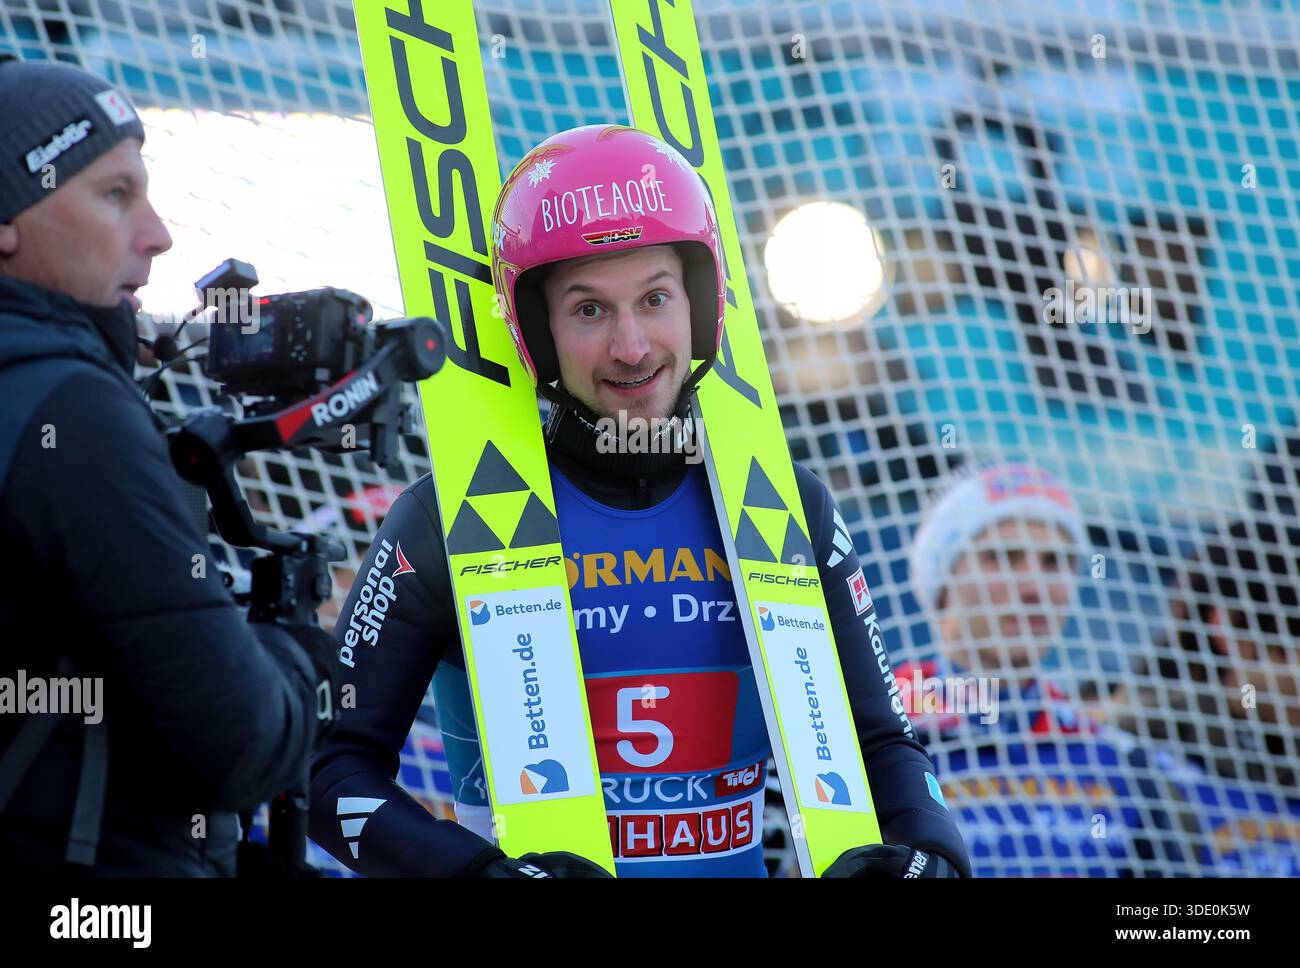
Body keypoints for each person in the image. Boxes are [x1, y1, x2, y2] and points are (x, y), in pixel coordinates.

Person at [308, 124, 970, 878]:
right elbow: (330, 776)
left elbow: (885, 744)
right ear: (537, 333)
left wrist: (929, 862)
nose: (631, 346)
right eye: (589, 310)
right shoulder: (442, 518)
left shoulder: (789, 510)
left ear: (698, 307)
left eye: (655, 298)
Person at [0, 56, 338, 875]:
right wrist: (298, 652)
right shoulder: (70, 411)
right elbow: (238, 743)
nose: (159, 234)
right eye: (115, 194)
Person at [903, 461, 1195, 876]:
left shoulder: (1126, 764)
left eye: (1055, 562)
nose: (1034, 588)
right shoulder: (873, 735)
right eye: (1003, 557)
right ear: (944, 577)